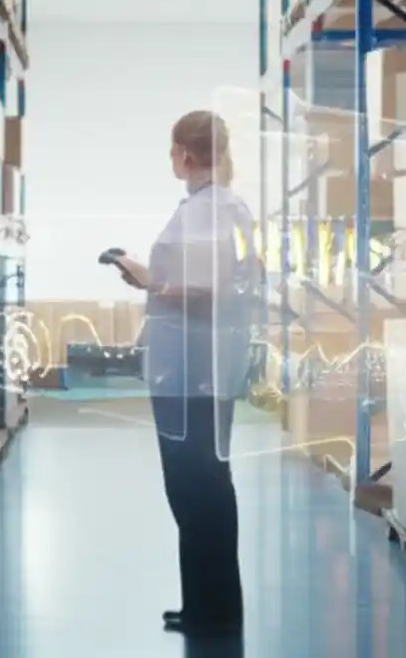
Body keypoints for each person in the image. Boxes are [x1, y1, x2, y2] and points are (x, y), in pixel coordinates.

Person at [109, 110, 258, 637]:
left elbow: (200, 289)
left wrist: (149, 282)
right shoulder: (213, 207)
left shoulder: (210, 211)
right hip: (198, 368)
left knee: (198, 487)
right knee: (201, 486)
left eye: (173, 150)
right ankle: (206, 602)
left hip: (193, 371)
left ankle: (213, 609)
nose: (170, 158)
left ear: (188, 156)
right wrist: (147, 277)